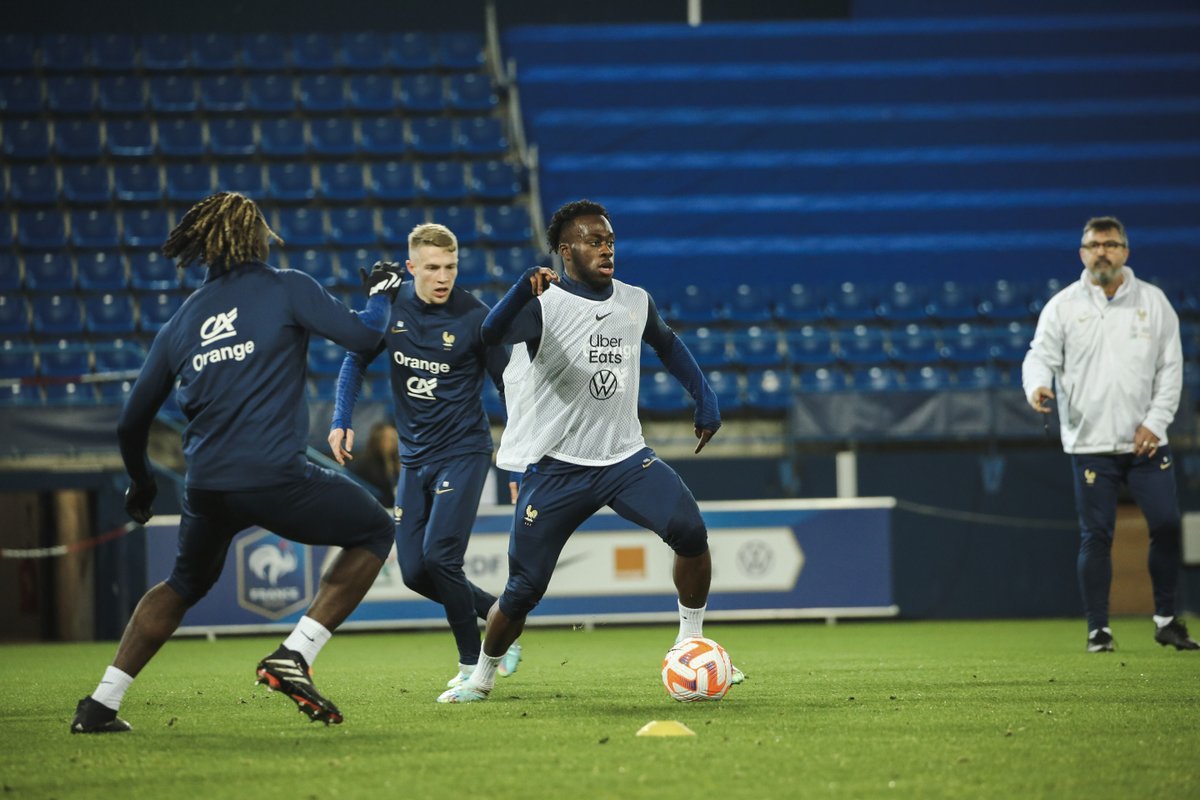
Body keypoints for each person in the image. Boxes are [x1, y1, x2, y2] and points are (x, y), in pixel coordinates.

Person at [70, 192, 406, 734]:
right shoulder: (286, 286)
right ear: (257, 237)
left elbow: (132, 422)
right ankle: (294, 653)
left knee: (181, 584)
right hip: (275, 476)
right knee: (372, 529)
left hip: (205, 487)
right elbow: (366, 336)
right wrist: (382, 294)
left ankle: (101, 705)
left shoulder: (180, 324)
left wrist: (141, 483)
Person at [438, 199, 743, 704]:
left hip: (624, 458)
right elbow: (488, 334)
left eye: (610, 242)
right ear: (565, 252)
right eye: (593, 241)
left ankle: (690, 644)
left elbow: (667, 344)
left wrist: (705, 399)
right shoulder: (545, 305)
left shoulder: (634, 300)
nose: (606, 250)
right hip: (557, 467)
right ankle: (482, 677)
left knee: (690, 531)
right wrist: (520, 289)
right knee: (523, 590)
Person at [328, 223, 521, 691]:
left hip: (464, 452)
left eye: (450, 267)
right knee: (414, 571)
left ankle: (472, 667)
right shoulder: (391, 309)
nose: (442, 277)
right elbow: (355, 358)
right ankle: (502, 618)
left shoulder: (477, 317)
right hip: (415, 460)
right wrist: (341, 418)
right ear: (411, 267)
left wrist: (518, 459)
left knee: (440, 558)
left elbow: (513, 387)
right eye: (432, 268)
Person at [1022, 215, 1194, 653]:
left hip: (1146, 442)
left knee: (1168, 526)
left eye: (1111, 244)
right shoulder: (1063, 305)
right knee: (1096, 536)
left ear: (1125, 251)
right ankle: (1099, 629)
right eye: (1094, 245)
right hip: (1091, 442)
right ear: (1082, 253)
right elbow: (1038, 356)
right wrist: (1037, 385)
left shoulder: (1153, 303)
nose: (1103, 251)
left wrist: (1155, 422)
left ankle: (1167, 620)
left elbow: (1171, 369)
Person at [348, 421, 401, 506]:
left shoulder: (395, 462)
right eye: (391, 439)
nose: (395, 444)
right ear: (379, 441)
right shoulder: (365, 465)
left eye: (395, 439)